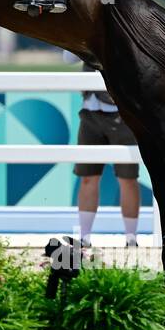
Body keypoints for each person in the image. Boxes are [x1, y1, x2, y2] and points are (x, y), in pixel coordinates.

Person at [62, 51, 142, 247]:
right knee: (88, 178)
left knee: (128, 179)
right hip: (90, 113)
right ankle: (85, 237)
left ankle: (131, 238)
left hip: (124, 113)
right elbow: (67, 58)